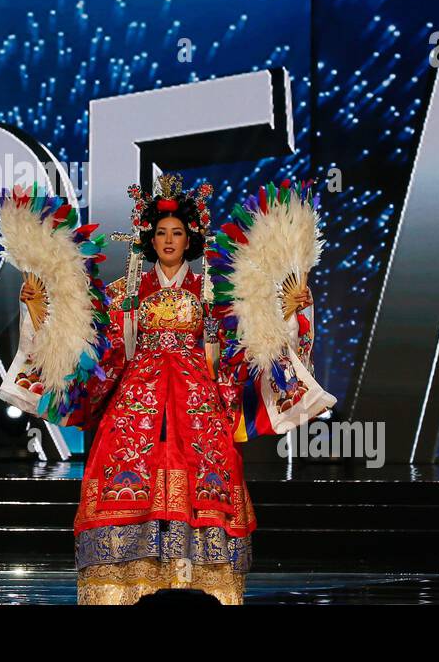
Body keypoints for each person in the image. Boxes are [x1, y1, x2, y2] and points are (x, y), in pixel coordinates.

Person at [17, 174, 306, 604]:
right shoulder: (125, 294)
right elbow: (88, 346)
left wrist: (288, 312)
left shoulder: (213, 294)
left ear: (190, 238)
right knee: (124, 472)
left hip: (196, 403)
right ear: (148, 240)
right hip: (138, 401)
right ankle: (126, 582)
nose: (168, 240)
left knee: (206, 473)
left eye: (177, 233)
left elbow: (243, 346)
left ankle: (199, 582)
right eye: (160, 233)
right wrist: (40, 310)